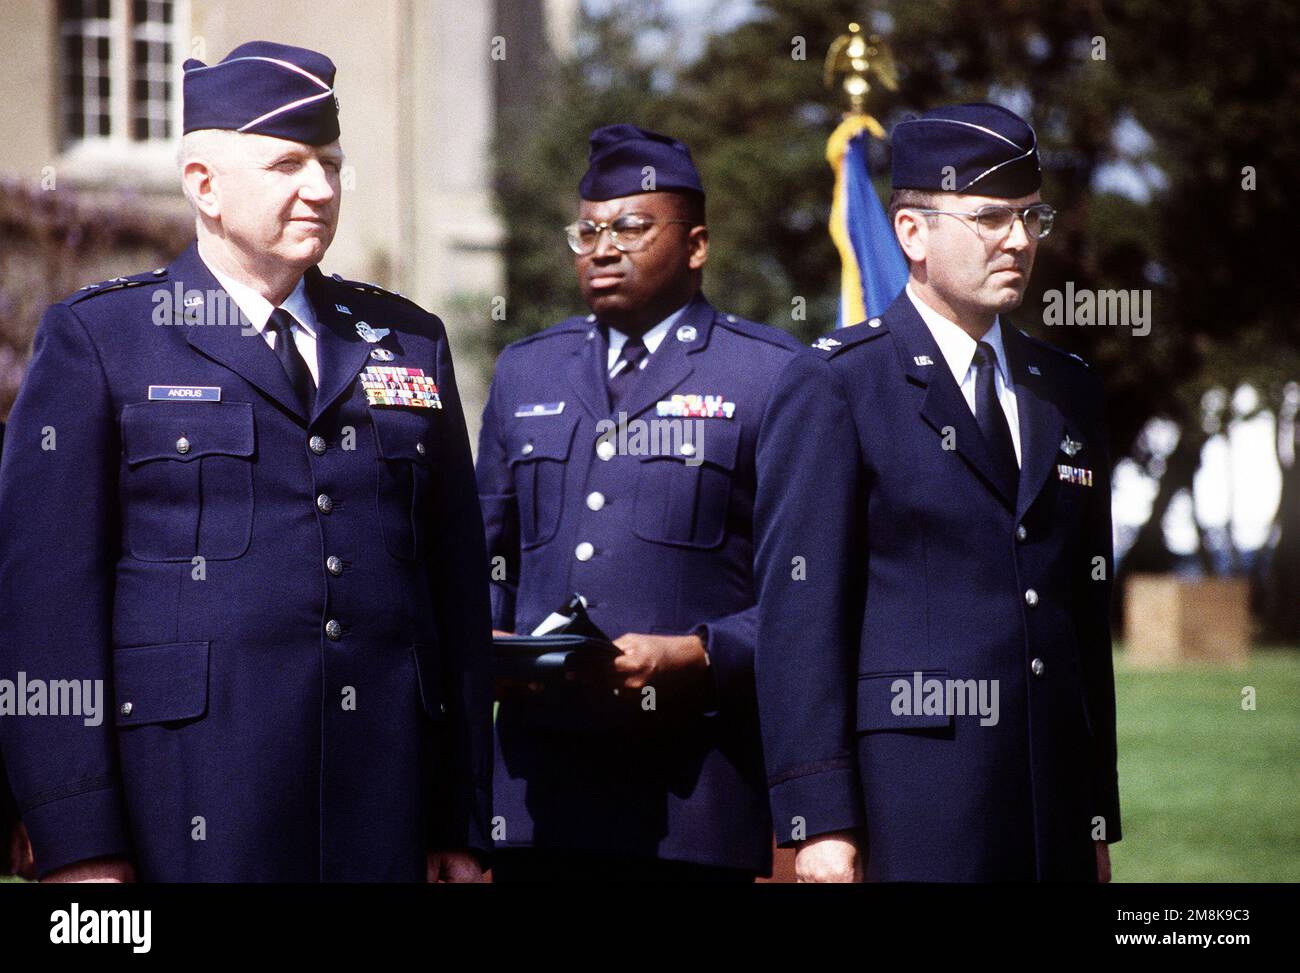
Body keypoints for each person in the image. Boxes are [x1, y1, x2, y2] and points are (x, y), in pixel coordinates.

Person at [0, 41, 492, 882]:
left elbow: (454, 595)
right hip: (184, 803)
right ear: (204, 184)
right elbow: (47, 608)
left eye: (332, 163)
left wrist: (461, 818)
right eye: (289, 164)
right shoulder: (102, 340)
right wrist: (80, 837)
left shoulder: (408, 339)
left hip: (382, 807)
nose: (322, 188)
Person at [755, 103, 1120, 882]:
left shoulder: (1069, 390)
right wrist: (818, 821)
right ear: (912, 235)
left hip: (1050, 805)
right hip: (914, 806)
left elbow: (1082, 623)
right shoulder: (838, 383)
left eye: (1031, 217)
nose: (1019, 240)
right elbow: (801, 617)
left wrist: (1096, 812)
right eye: (990, 217)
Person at [477, 124, 801, 881]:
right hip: (534, 800)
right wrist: (485, 643)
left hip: (694, 802)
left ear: (696, 246)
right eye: (586, 229)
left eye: (630, 226)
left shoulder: (770, 376)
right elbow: (486, 557)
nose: (603, 246)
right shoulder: (528, 371)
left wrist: (698, 654)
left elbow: (805, 593)